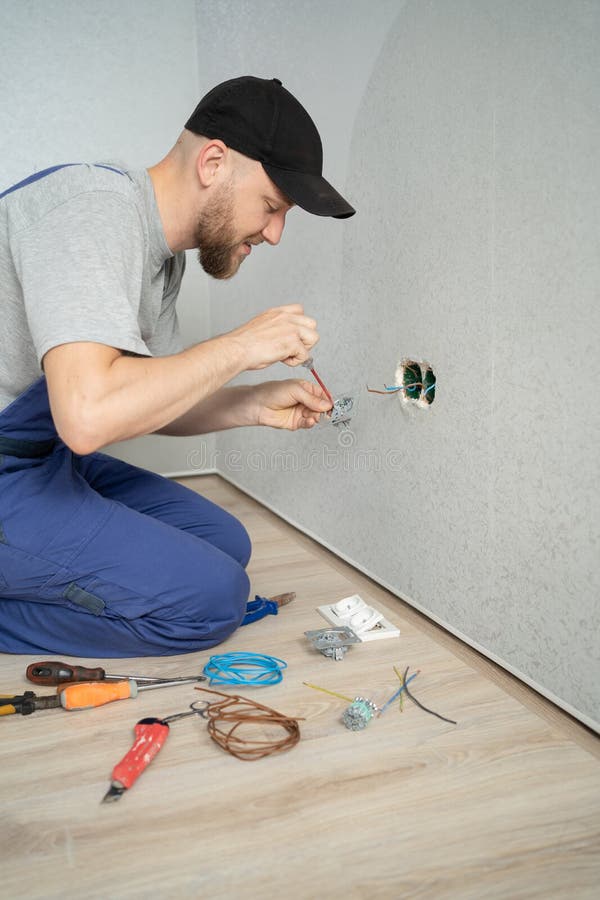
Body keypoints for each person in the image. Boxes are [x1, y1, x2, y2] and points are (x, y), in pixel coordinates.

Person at [0, 76, 355, 658]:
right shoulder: (90, 213)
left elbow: (143, 398)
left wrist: (253, 402)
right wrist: (240, 345)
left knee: (224, 542)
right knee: (210, 601)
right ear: (213, 162)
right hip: (16, 467)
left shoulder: (161, 259)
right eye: (271, 207)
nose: (275, 233)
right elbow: (88, 419)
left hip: (39, 458)